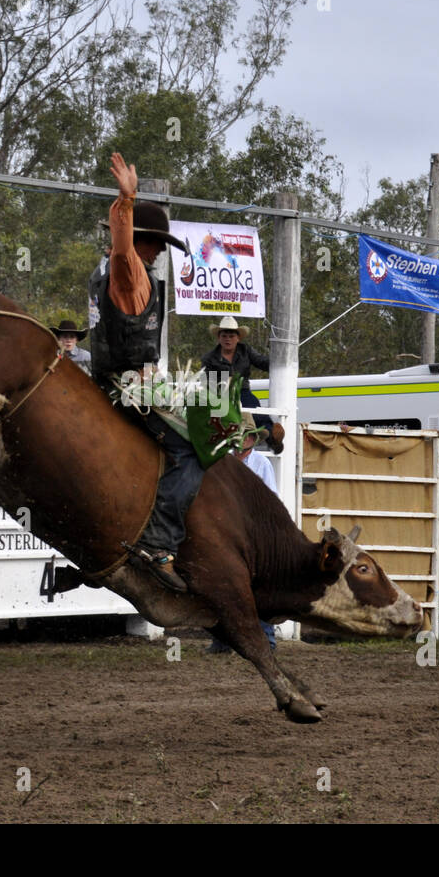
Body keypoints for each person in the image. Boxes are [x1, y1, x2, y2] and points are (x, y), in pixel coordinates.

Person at [88, 152, 196, 592]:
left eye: (155, 246)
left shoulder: (130, 275)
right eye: (153, 244)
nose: (155, 253)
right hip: (126, 385)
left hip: (129, 378)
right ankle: (159, 541)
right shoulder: (130, 272)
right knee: (190, 448)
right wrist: (126, 201)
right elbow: (122, 249)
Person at [208, 415, 279, 654]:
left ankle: (266, 639)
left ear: (252, 438)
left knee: (257, 585)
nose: (241, 440)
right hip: (226, 532)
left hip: (253, 534)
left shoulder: (261, 464)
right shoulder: (222, 462)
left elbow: (271, 503)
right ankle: (223, 641)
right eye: (237, 435)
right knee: (221, 586)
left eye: (245, 435)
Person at [200, 316, 284, 454]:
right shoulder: (209, 358)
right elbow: (207, 383)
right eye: (224, 336)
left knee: (253, 407)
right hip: (221, 393)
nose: (228, 339)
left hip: (242, 391)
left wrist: (280, 363)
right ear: (219, 338)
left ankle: (273, 440)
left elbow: (263, 362)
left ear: (238, 338)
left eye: (231, 336)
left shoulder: (246, 351)